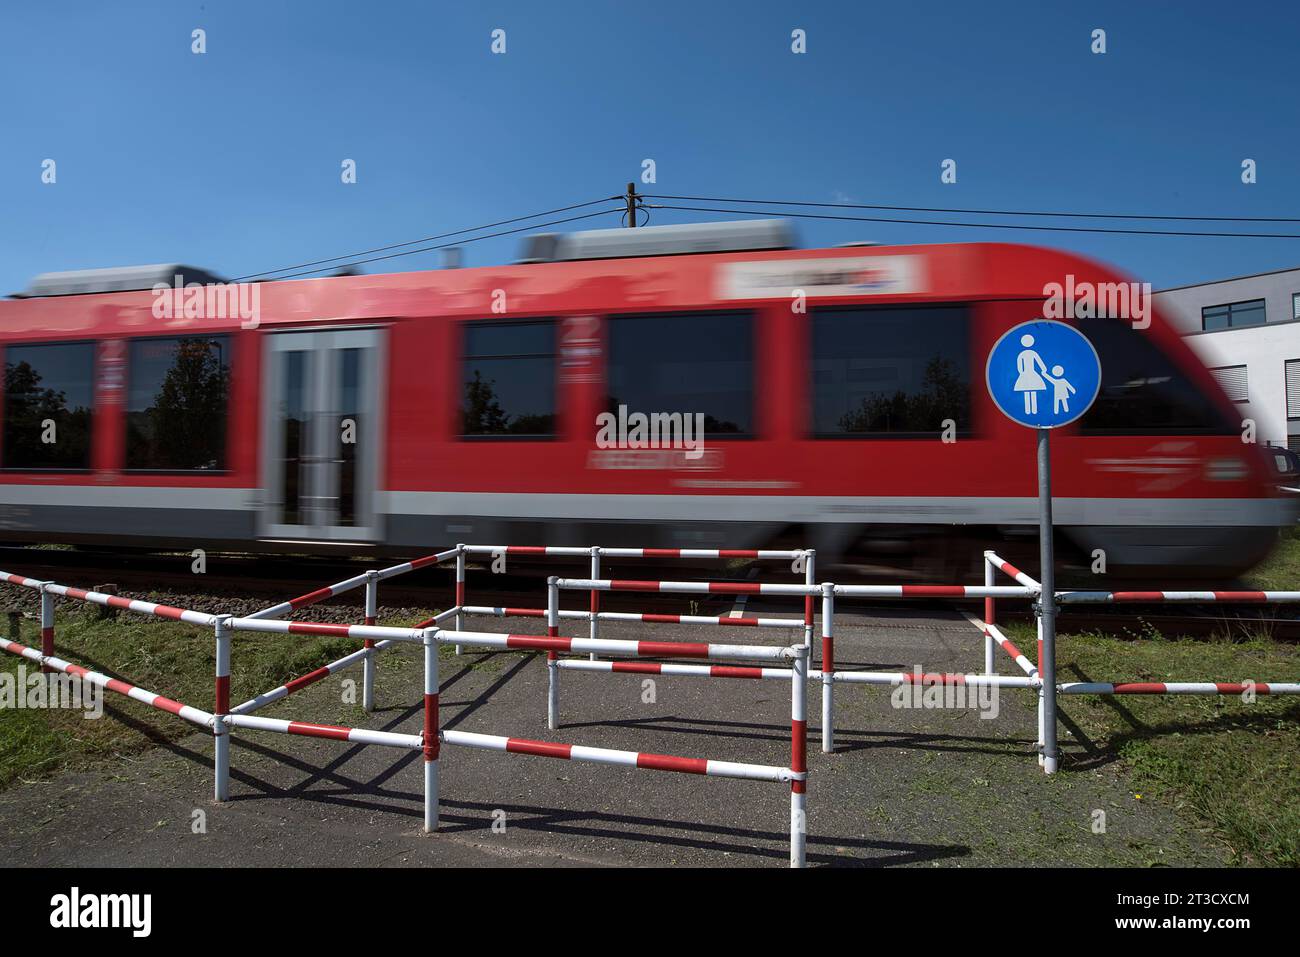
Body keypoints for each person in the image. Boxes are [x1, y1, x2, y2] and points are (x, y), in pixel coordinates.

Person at [1013, 334, 1048, 414]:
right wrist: (1044, 369)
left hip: (1026, 374)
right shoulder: (1032, 353)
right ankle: (1032, 410)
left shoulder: (1022, 354)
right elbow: (1040, 362)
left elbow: (1019, 366)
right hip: (1031, 373)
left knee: (1028, 392)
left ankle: (1029, 410)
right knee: (1032, 392)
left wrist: (1021, 373)